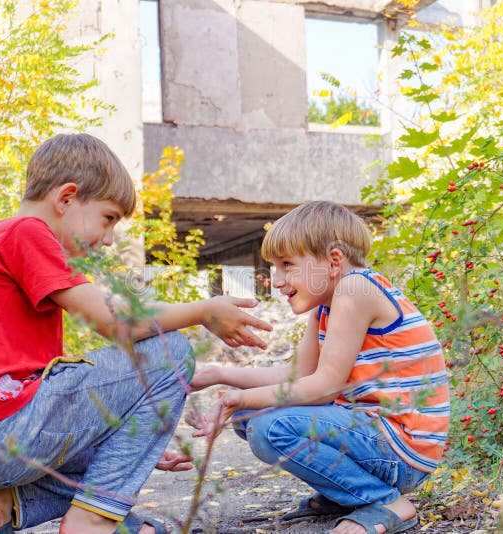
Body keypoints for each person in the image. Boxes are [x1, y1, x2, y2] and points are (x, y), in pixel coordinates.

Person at [0, 133, 272, 534]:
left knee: (114, 465)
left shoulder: (4, 243)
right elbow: (117, 323)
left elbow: (47, 391)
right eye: (108, 218)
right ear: (66, 199)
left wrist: (130, 446)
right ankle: (93, 523)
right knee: (171, 352)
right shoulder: (26, 233)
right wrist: (201, 311)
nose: (109, 239)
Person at [189, 201, 449, 534]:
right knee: (249, 415)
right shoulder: (327, 306)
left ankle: (384, 502)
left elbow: (325, 387)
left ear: (334, 261)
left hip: (401, 447)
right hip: (376, 436)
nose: (277, 281)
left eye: (287, 265)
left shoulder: (356, 289)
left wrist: (239, 399)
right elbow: (297, 377)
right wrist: (219, 376)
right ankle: (346, 496)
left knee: (269, 426)